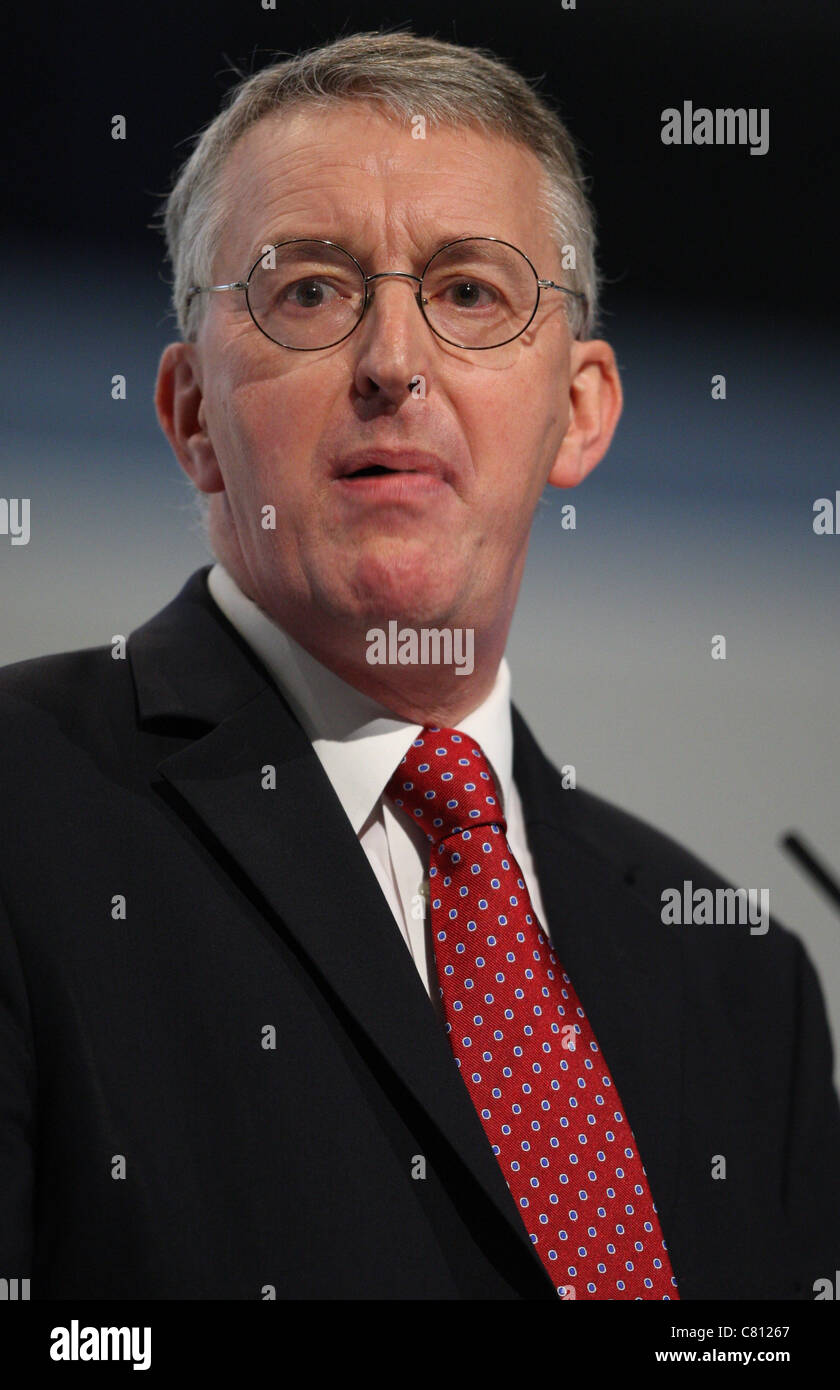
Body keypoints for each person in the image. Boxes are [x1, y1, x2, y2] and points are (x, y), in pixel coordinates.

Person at [1, 30, 838, 1302]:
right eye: (312, 291)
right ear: (190, 416)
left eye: (469, 293)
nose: (395, 364)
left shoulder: (743, 988)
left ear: (581, 408)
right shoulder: (24, 811)